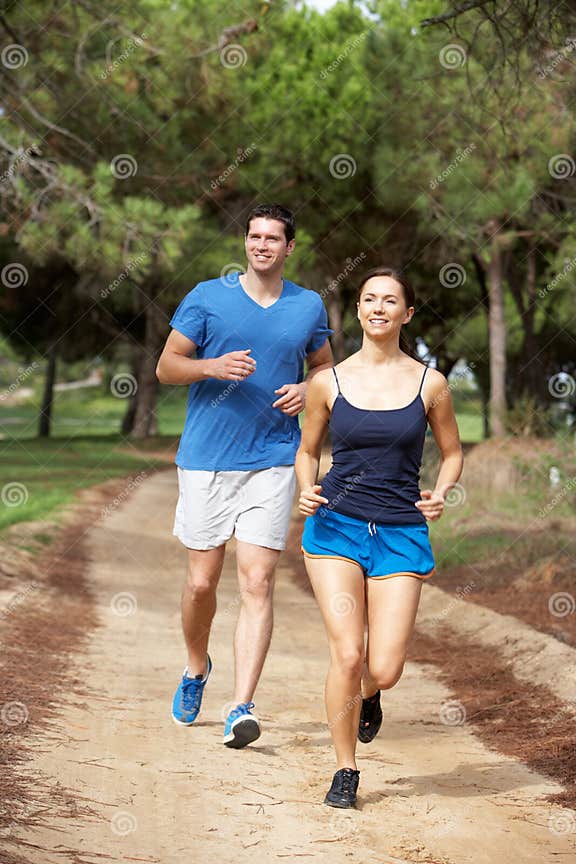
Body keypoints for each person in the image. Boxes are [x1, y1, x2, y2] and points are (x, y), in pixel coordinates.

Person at [156, 204, 333, 748]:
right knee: (201, 583)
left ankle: (241, 706)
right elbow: (166, 367)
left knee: (257, 582)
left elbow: (326, 367)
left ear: (289, 247)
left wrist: (308, 390)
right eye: (254, 236)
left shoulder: (307, 306)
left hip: (274, 460)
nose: (262, 245)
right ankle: (195, 667)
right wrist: (211, 366)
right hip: (207, 459)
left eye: (273, 238)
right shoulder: (207, 297)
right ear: (246, 243)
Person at [295, 266, 463, 807]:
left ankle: (370, 696)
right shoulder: (328, 382)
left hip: (399, 531)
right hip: (335, 527)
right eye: (369, 299)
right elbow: (307, 451)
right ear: (360, 310)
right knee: (347, 653)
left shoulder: (429, 383)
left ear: (406, 314)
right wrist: (306, 487)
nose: (378, 307)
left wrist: (441, 490)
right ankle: (345, 768)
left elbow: (454, 452)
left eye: (390, 300)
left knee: (383, 668)